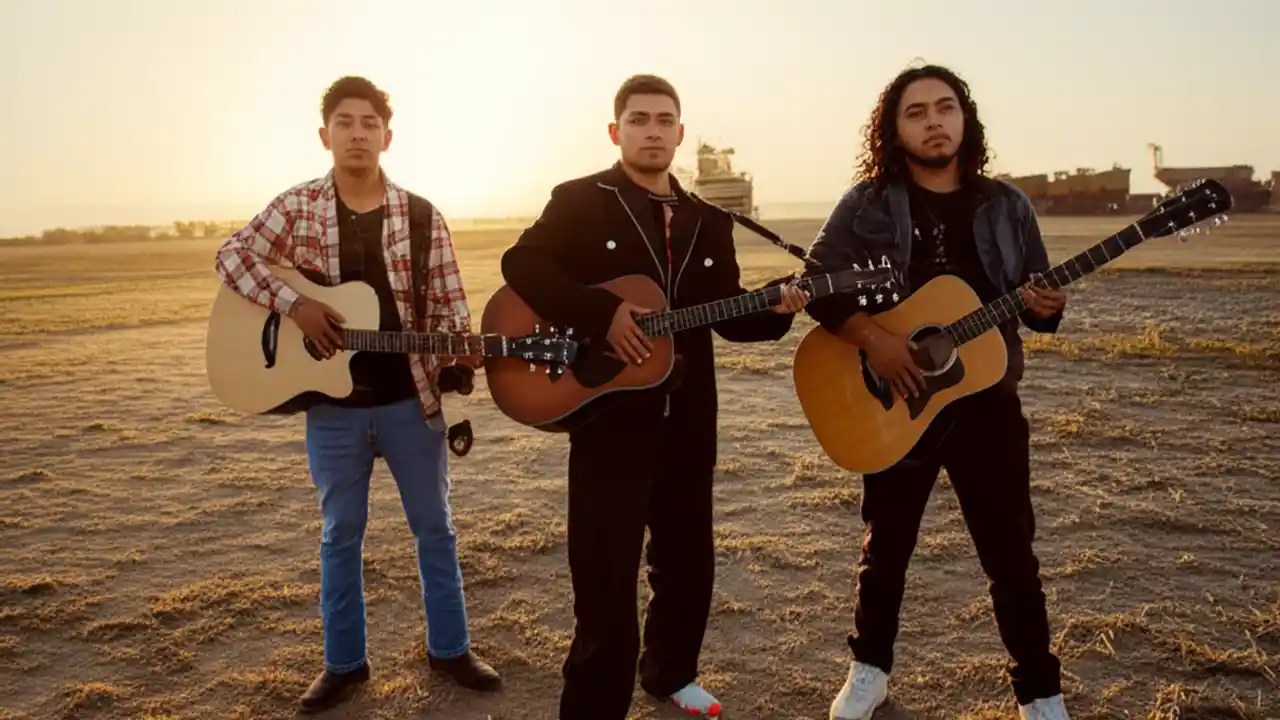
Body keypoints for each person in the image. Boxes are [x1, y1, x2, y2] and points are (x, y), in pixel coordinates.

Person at [499, 73, 809, 719]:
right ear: (617, 131)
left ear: (680, 133)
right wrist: (601, 312)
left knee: (687, 564)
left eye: (664, 120)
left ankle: (670, 672)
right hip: (608, 415)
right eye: (639, 120)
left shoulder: (709, 220)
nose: (652, 131)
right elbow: (521, 265)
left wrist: (777, 307)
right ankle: (593, 708)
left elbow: (727, 314)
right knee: (604, 576)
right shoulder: (580, 200)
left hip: (689, 416)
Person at [213, 75, 501, 714]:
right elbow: (231, 256)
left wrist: (463, 352)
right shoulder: (297, 208)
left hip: (410, 402)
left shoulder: (422, 216)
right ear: (325, 135)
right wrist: (296, 306)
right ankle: (343, 665)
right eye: (344, 122)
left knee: (435, 528)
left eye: (370, 123)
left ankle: (450, 649)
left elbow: (451, 307)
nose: (357, 134)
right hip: (332, 407)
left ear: (387, 137)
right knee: (340, 533)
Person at [803, 63, 1071, 720]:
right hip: (896, 396)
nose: (933, 122)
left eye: (945, 108)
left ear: (964, 119)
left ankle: (1040, 694)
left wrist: (1048, 306)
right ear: (894, 130)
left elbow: (1039, 304)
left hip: (987, 399)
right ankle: (869, 673)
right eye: (916, 112)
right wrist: (875, 341)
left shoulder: (1009, 205)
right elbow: (816, 284)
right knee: (885, 548)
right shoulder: (866, 204)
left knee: (1012, 554)